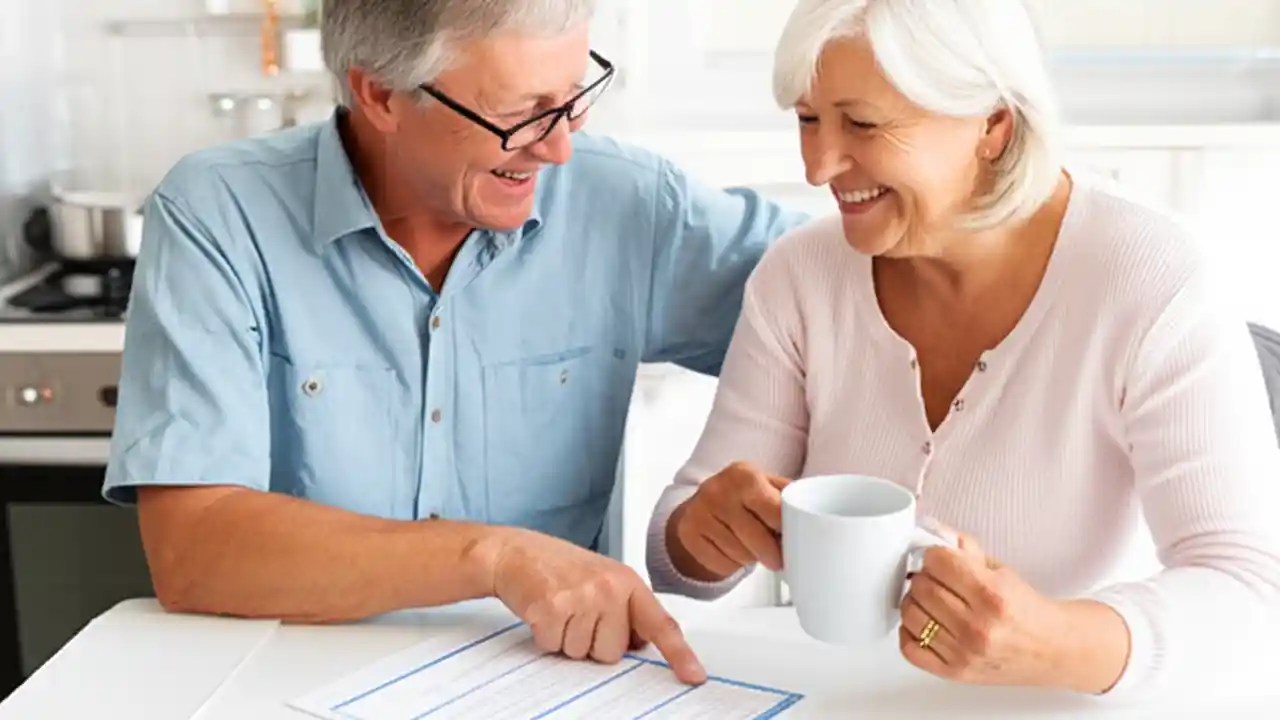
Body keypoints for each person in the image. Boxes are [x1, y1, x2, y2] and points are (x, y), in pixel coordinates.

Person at [102, 0, 806, 684]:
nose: (559, 147)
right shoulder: (219, 216)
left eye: (571, 96)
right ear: (380, 95)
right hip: (281, 685)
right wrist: (492, 556)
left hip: (550, 688)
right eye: (516, 114)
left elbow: (857, 288)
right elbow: (196, 549)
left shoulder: (629, 207)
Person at [648, 0, 1280, 699]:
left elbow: (1250, 590)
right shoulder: (799, 277)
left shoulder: (1150, 278)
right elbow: (676, 563)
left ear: (992, 124)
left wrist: (1054, 642)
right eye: (807, 119)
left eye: (861, 123)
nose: (818, 165)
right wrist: (700, 533)